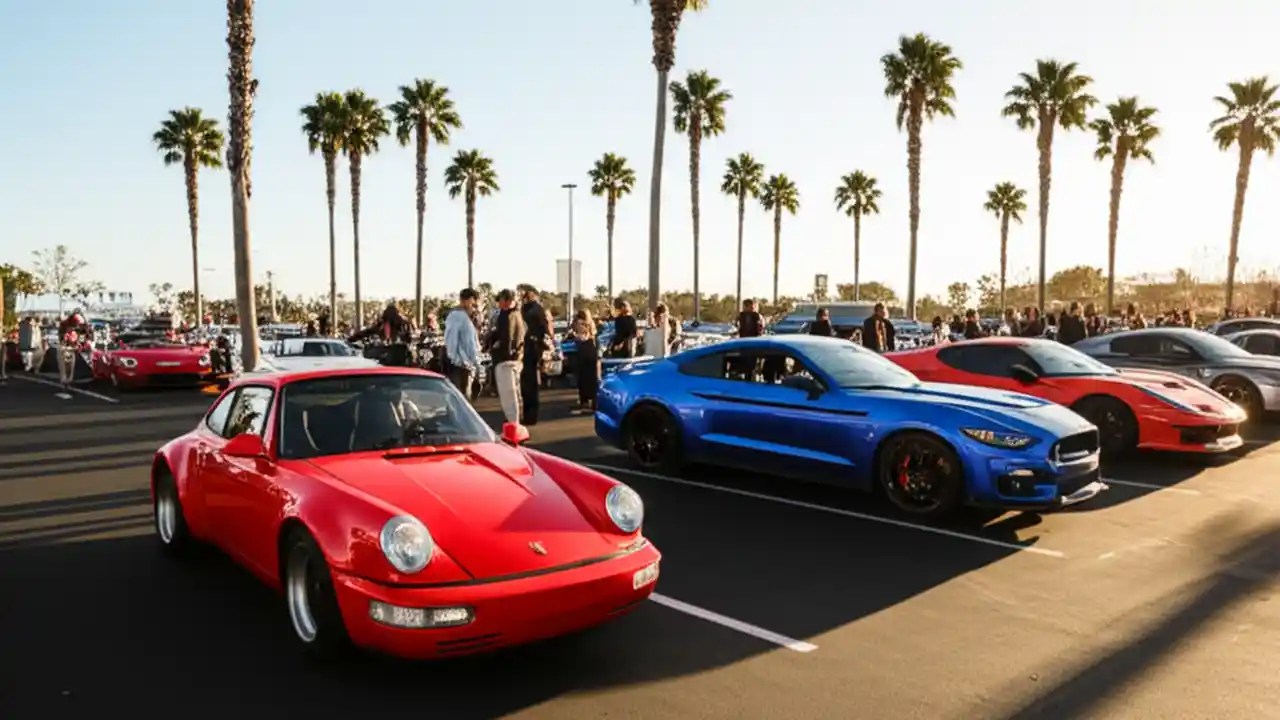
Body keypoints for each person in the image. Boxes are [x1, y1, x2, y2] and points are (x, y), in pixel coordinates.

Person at [483, 289, 525, 424]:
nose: (498, 303)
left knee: (509, 394)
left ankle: (513, 422)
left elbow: (507, 336)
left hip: (506, 360)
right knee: (515, 392)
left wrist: (498, 348)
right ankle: (517, 419)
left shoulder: (508, 316)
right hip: (516, 358)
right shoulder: (517, 314)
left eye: (500, 300)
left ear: (507, 301)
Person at [519, 285, 549, 425]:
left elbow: (543, 329)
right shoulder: (525, 309)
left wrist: (536, 340)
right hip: (527, 349)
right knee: (526, 384)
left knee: (531, 384)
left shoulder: (535, 309)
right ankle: (528, 413)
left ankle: (531, 415)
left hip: (532, 349)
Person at [444, 289, 481, 399]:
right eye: (473, 304)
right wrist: (457, 360)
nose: (474, 308)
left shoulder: (466, 318)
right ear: (468, 300)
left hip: (466, 365)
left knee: (463, 399)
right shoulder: (456, 316)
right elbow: (451, 340)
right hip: (459, 365)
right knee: (459, 398)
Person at [570, 309, 600, 414]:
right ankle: (594, 401)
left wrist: (573, 336)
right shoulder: (591, 324)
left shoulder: (579, 323)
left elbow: (580, 337)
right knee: (592, 377)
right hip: (592, 349)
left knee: (583, 377)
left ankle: (584, 401)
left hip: (583, 350)